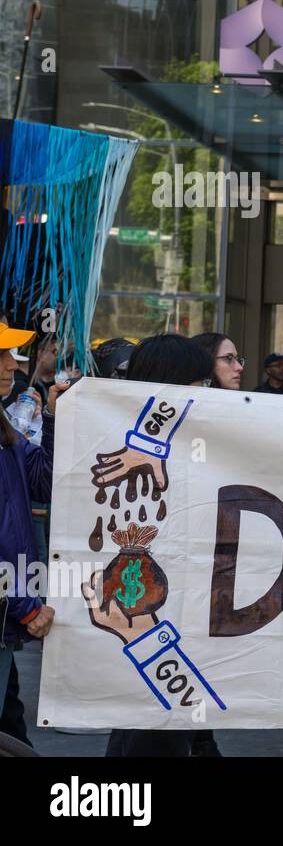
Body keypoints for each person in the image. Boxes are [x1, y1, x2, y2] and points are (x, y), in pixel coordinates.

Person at [101, 334, 213, 757]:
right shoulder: (121, 446)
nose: (208, 395)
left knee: (164, 728)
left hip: (178, 616)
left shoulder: (187, 445)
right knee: (150, 728)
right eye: (201, 385)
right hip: (149, 614)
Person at [0, 317, 63, 749]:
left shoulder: (5, 427)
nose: (11, 364)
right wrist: (25, 606)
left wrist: (55, 418)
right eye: (1, 355)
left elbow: (44, 480)